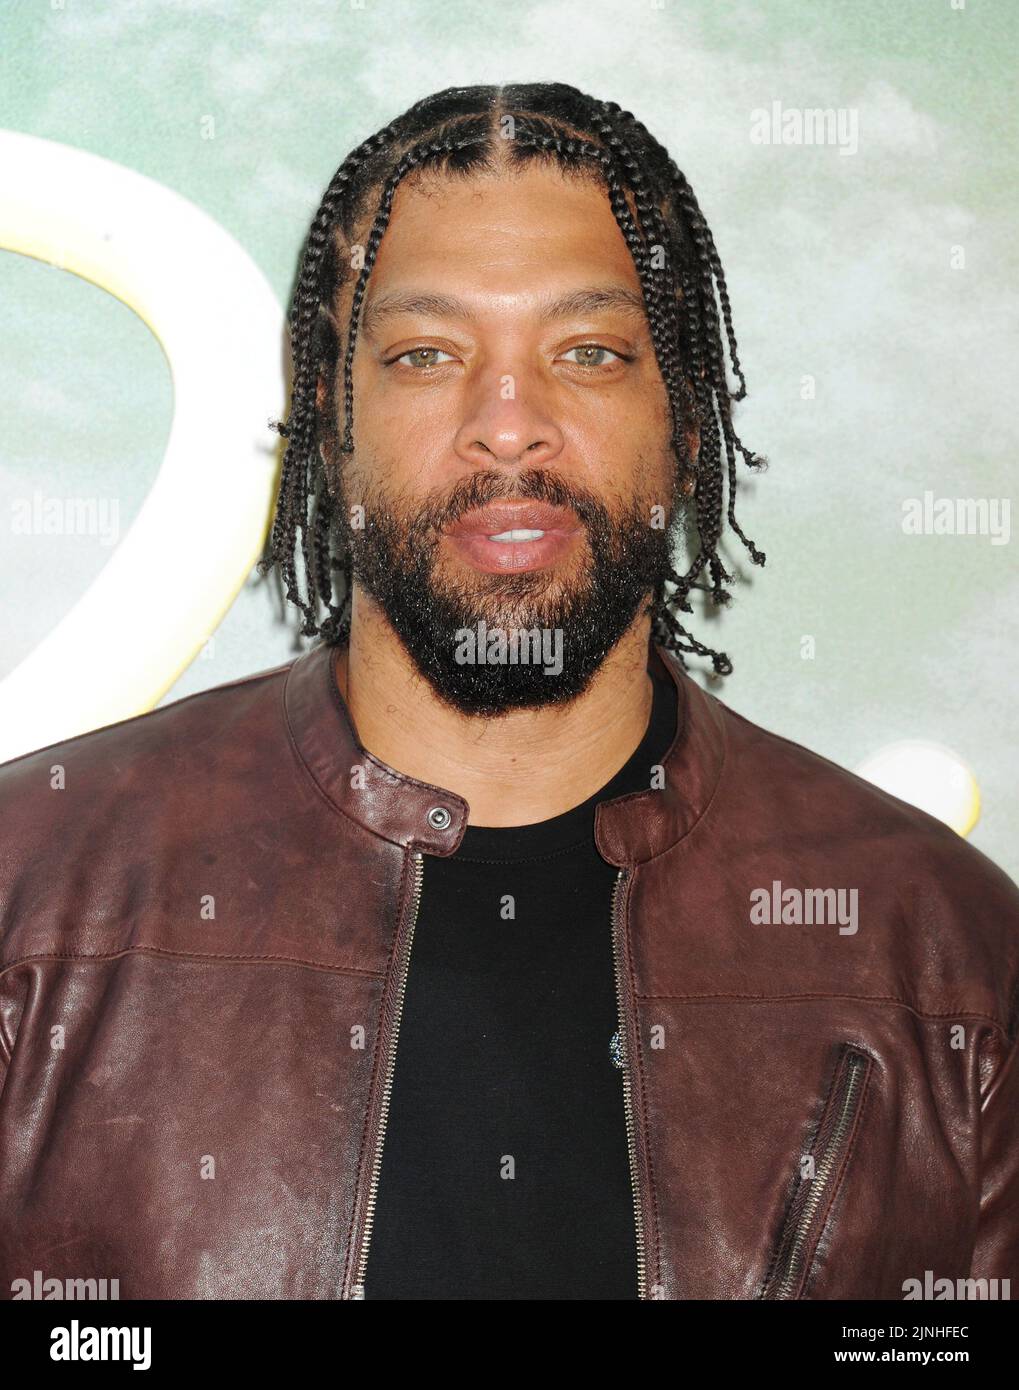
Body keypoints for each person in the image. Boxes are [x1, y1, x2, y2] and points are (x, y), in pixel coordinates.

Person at [1, 83, 1016, 1302]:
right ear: (330, 424)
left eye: (585, 353)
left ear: (684, 417)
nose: (509, 427)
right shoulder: (28, 904)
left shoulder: (948, 953)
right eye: (428, 356)